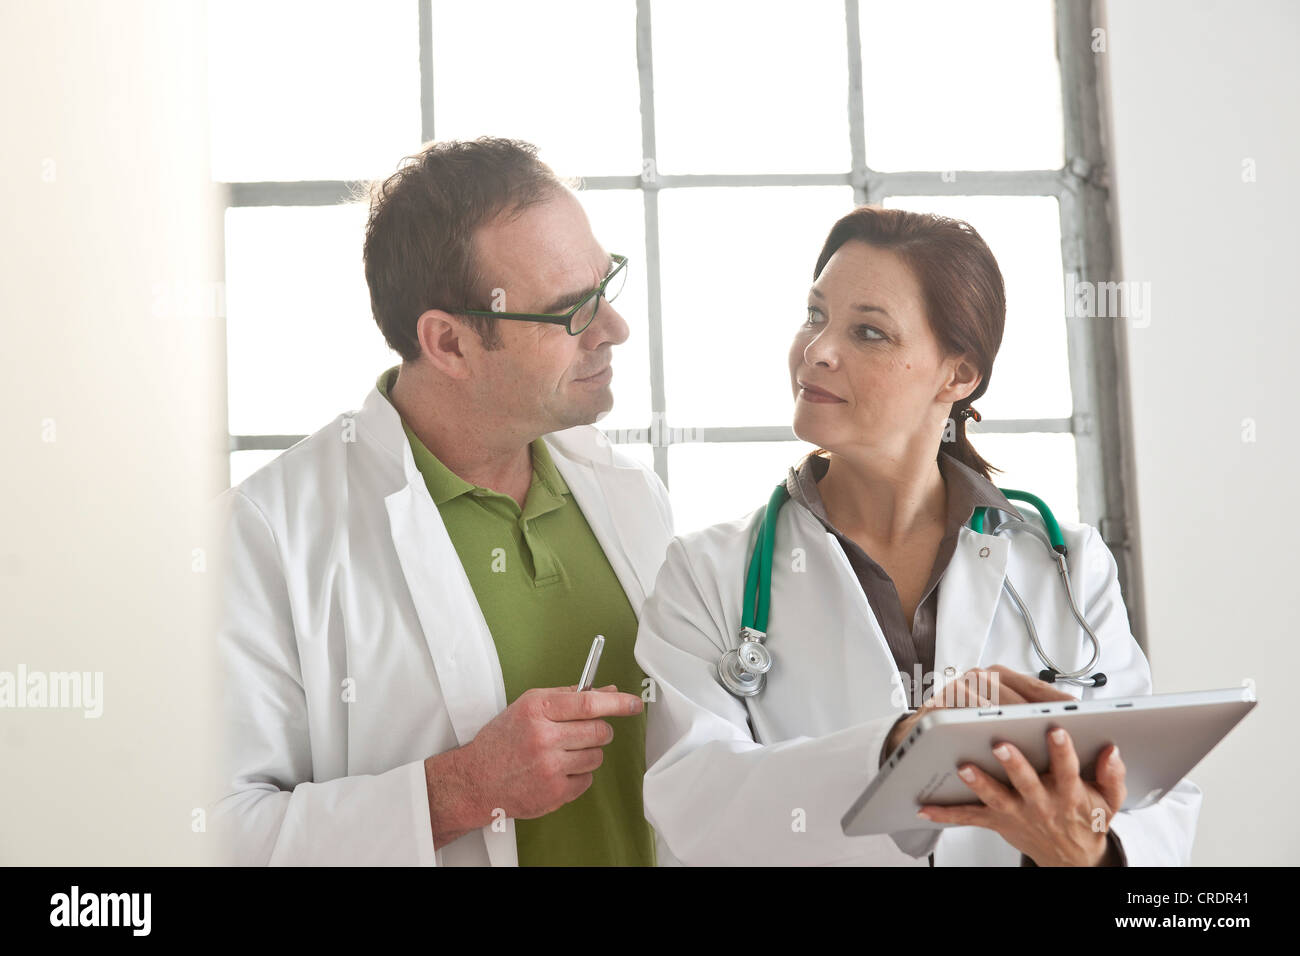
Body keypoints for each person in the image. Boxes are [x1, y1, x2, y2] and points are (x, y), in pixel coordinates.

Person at [634, 205, 1202, 866]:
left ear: (958, 376)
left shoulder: (1068, 564)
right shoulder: (709, 574)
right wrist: (903, 747)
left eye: (869, 332)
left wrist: (1091, 852)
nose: (817, 350)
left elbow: (1152, 799)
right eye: (815, 315)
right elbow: (694, 807)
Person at [211, 137, 673, 866]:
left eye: (604, 284)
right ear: (450, 343)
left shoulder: (630, 496)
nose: (614, 329)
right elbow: (215, 833)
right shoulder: (269, 534)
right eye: (571, 312)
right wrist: (459, 790)